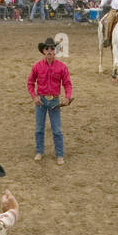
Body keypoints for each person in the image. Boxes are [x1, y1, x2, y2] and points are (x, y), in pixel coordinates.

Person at [27, 38, 71, 166]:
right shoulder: (37, 66)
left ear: (55, 51)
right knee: (39, 128)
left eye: (52, 48)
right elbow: (30, 83)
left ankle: (59, 154)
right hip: (40, 100)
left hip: (55, 101)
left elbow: (67, 84)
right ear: (43, 51)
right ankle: (39, 151)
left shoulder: (62, 67)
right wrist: (34, 97)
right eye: (47, 49)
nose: (50, 51)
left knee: (56, 129)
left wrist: (67, 97)